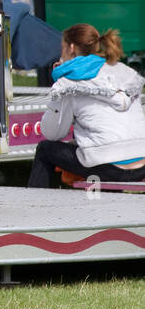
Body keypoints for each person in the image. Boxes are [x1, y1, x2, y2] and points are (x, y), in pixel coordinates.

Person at [28, 24, 145, 188]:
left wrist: (59, 87)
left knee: (45, 149)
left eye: (62, 48)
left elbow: (52, 133)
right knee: (89, 147)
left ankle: (37, 207)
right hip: (141, 161)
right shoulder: (123, 71)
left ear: (71, 47)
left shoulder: (69, 82)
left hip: (107, 166)